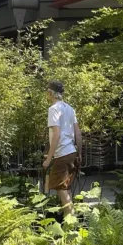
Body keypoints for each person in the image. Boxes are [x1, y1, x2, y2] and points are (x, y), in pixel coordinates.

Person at [43, 81, 81, 217]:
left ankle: (72, 221)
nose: (47, 94)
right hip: (72, 152)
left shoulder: (54, 109)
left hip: (62, 153)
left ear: (51, 93)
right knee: (66, 188)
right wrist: (79, 153)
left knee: (60, 188)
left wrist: (48, 158)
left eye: (48, 92)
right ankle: (69, 225)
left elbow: (57, 134)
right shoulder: (70, 109)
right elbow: (78, 133)